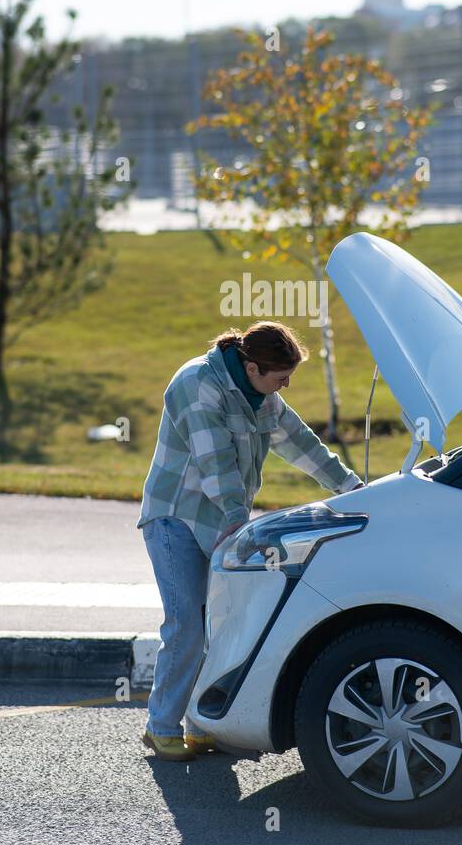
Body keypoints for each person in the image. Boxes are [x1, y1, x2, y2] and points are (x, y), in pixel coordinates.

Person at [136, 320, 363, 760]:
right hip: (176, 519)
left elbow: (300, 443)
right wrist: (240, 523)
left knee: (219, 626)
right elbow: (215, 463)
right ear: (253, 366)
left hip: (223, 521)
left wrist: (352, 488)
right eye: (281, 378)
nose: (285, 386)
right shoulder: (198, 384)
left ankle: (201, 724)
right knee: (186, 624)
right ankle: (161, 727)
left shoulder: (263, 396)